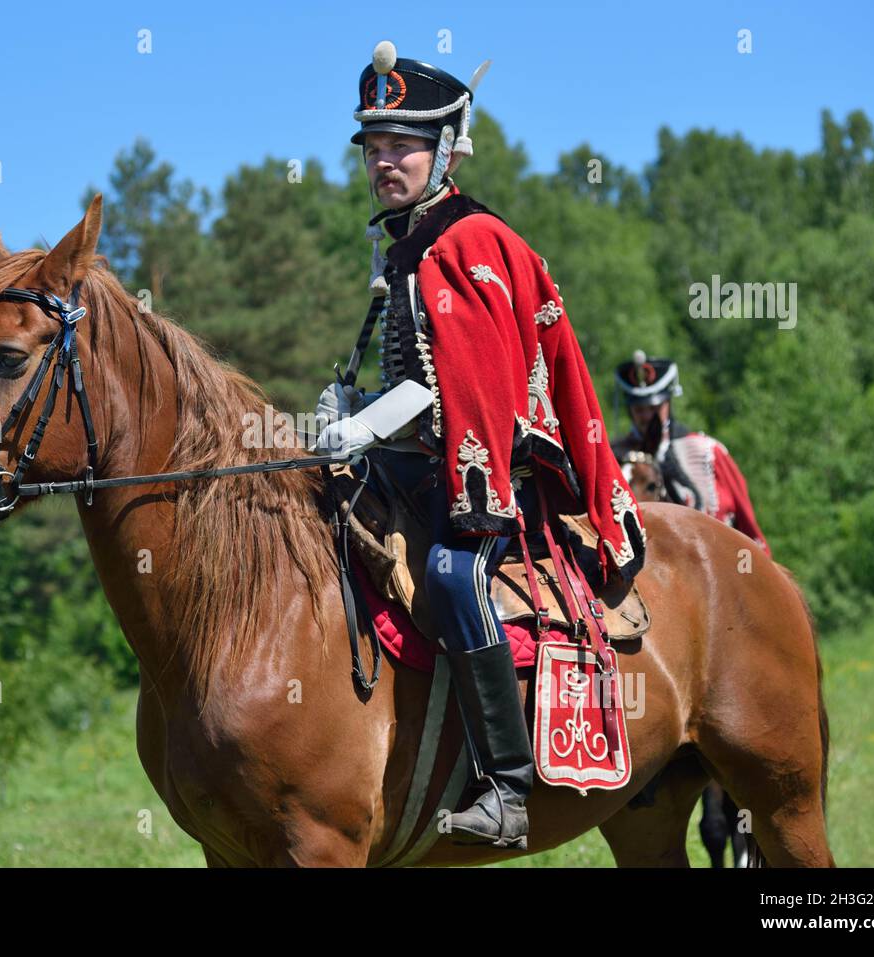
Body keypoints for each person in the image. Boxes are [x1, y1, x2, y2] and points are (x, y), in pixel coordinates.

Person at [314, 41, 646, 849]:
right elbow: (421, 368)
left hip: (492, 469)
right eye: (374, 147)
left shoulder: (469, 241)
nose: (384, 162)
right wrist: (349, 408)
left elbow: (471, 386)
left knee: (451, 572)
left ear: (445, 150)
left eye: (402, 145)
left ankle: (507, 786)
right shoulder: (406, 241)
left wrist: (365, 422)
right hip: (419, 463)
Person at [611, 351, 770, 554]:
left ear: (668, 402)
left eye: (654, 407)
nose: (646, 416)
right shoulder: (615, 456)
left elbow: (748, 526)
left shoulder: (709, 452)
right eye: (639, 409)